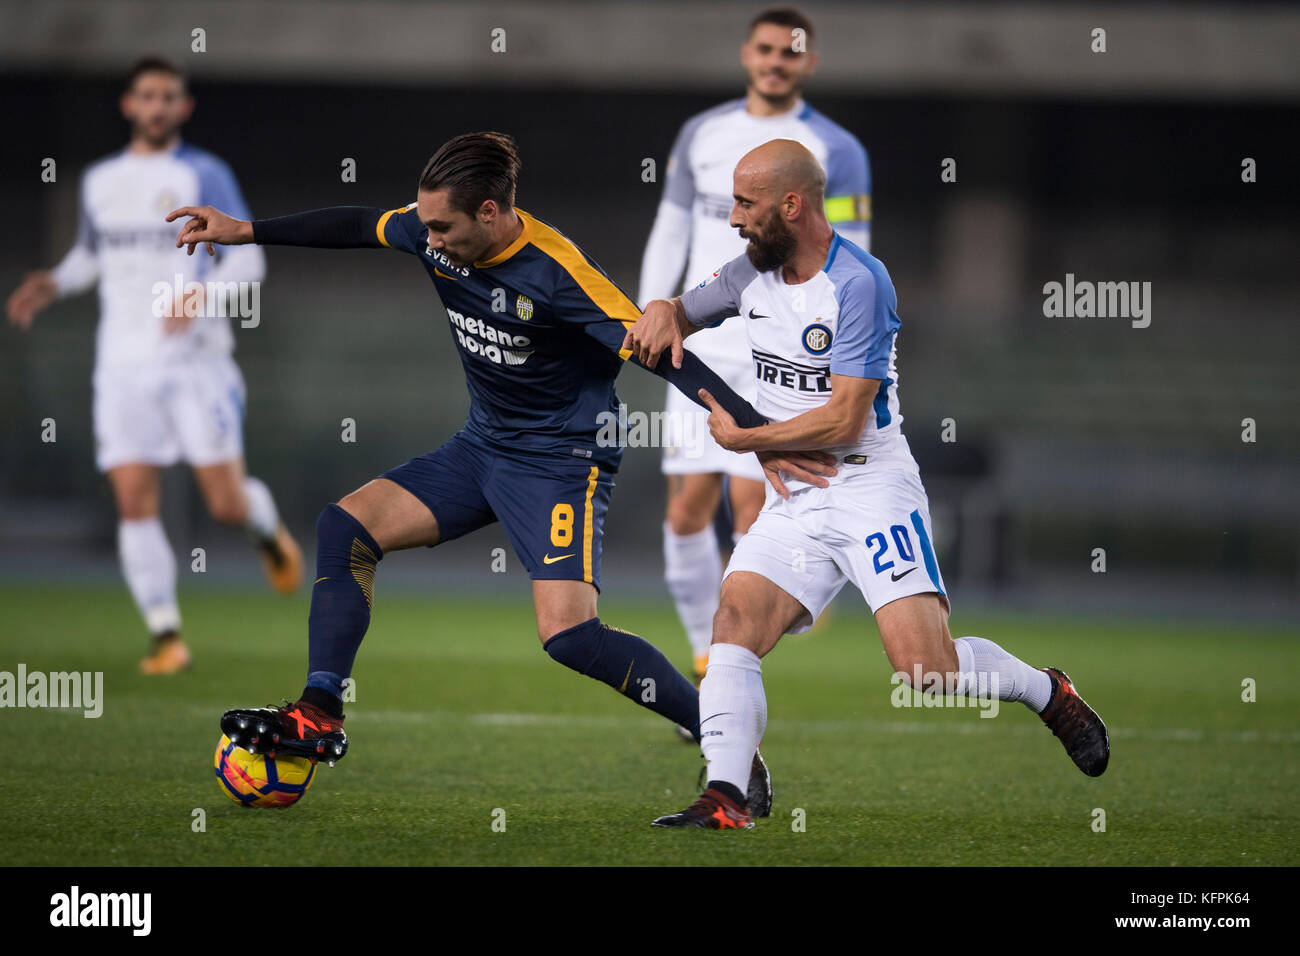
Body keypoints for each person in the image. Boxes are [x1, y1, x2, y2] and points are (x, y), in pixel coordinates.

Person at [168, 131, 837, 814]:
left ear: (490, 213)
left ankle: (726, 746)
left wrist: (757, 432)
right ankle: (319, 713)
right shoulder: (429, 232)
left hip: (561, 462)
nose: (427, 237)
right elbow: (355, 225)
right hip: (482, 447)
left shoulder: (558, 271)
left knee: (571, 637)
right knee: (347, 526)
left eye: (442, 225)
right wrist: (244, 230)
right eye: (424, 222)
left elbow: (657, 350)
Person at [624, 140, 1109, 829]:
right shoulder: (747, 273)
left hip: (869, 489)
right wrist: (665, 310)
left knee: (926, 672)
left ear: (792, 206)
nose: (731, 217)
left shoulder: (859, 283)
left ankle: (1045, 689)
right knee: (733, 624)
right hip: (796, 493)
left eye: (745, 203)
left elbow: (847, 420)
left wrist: (747, 440)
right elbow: (683, 310)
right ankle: (727, 795)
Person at [6, 56, 301, 675]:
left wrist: (201, 296)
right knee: (134, 500)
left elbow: (249, 261)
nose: (158, 106)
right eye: (147, 95)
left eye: (169, 96)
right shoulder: (100, 182)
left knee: (224, 505)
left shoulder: (205, 173)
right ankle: (166, 635)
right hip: (121, 367)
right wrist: (53, 283)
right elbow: (91, 255)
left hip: (196, 363)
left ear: (183, 108)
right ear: (129, 105)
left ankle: (266, 531)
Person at [639, 7, 871, 698]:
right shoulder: (703, 134)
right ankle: (704, 658)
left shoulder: (838, 148)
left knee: (750, 510)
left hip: (775, 352)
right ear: (748, 54)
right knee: (685, 511)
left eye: (790, 53)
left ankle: (735, 666)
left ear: (809, 63)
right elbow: (669, 229)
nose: (776, 62)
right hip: (695, 340)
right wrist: (649, 313)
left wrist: (833, 345)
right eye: (765, 49)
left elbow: (855, 253)